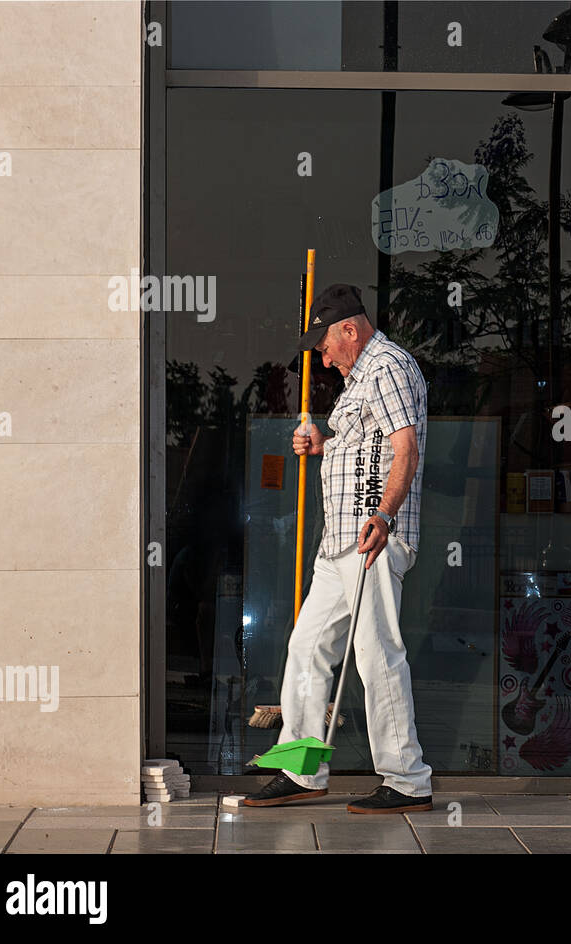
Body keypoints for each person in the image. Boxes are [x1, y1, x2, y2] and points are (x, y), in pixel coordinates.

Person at [243, 283, 433, 813]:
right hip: (339, 543)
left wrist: (385, 516)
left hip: (372, 538)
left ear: (350, 329)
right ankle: (303, 772)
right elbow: (363, 445)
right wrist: (322, 444)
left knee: (378, 655)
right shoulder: (358, 379)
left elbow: (405, 447)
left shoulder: (388, 366)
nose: (322, 359)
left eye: (325, 345)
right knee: (306, 649)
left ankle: (406, 780)